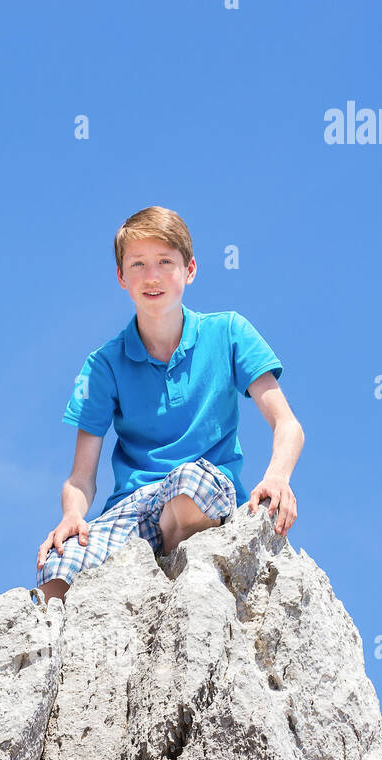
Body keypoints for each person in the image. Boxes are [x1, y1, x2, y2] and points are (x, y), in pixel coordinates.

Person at [33, 206, 304, 605]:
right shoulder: (103, 365)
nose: (152, 276)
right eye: (138, 264)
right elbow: (80, 477)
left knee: (189, 484)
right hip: (134, 506)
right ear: (122, 277)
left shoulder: (228, 331)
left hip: (206, 490)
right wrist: (72, 515)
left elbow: (287, 425)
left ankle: (175, 577)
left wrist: (278, 477)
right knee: (59, 563)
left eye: (165, 261)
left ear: (189, 269)